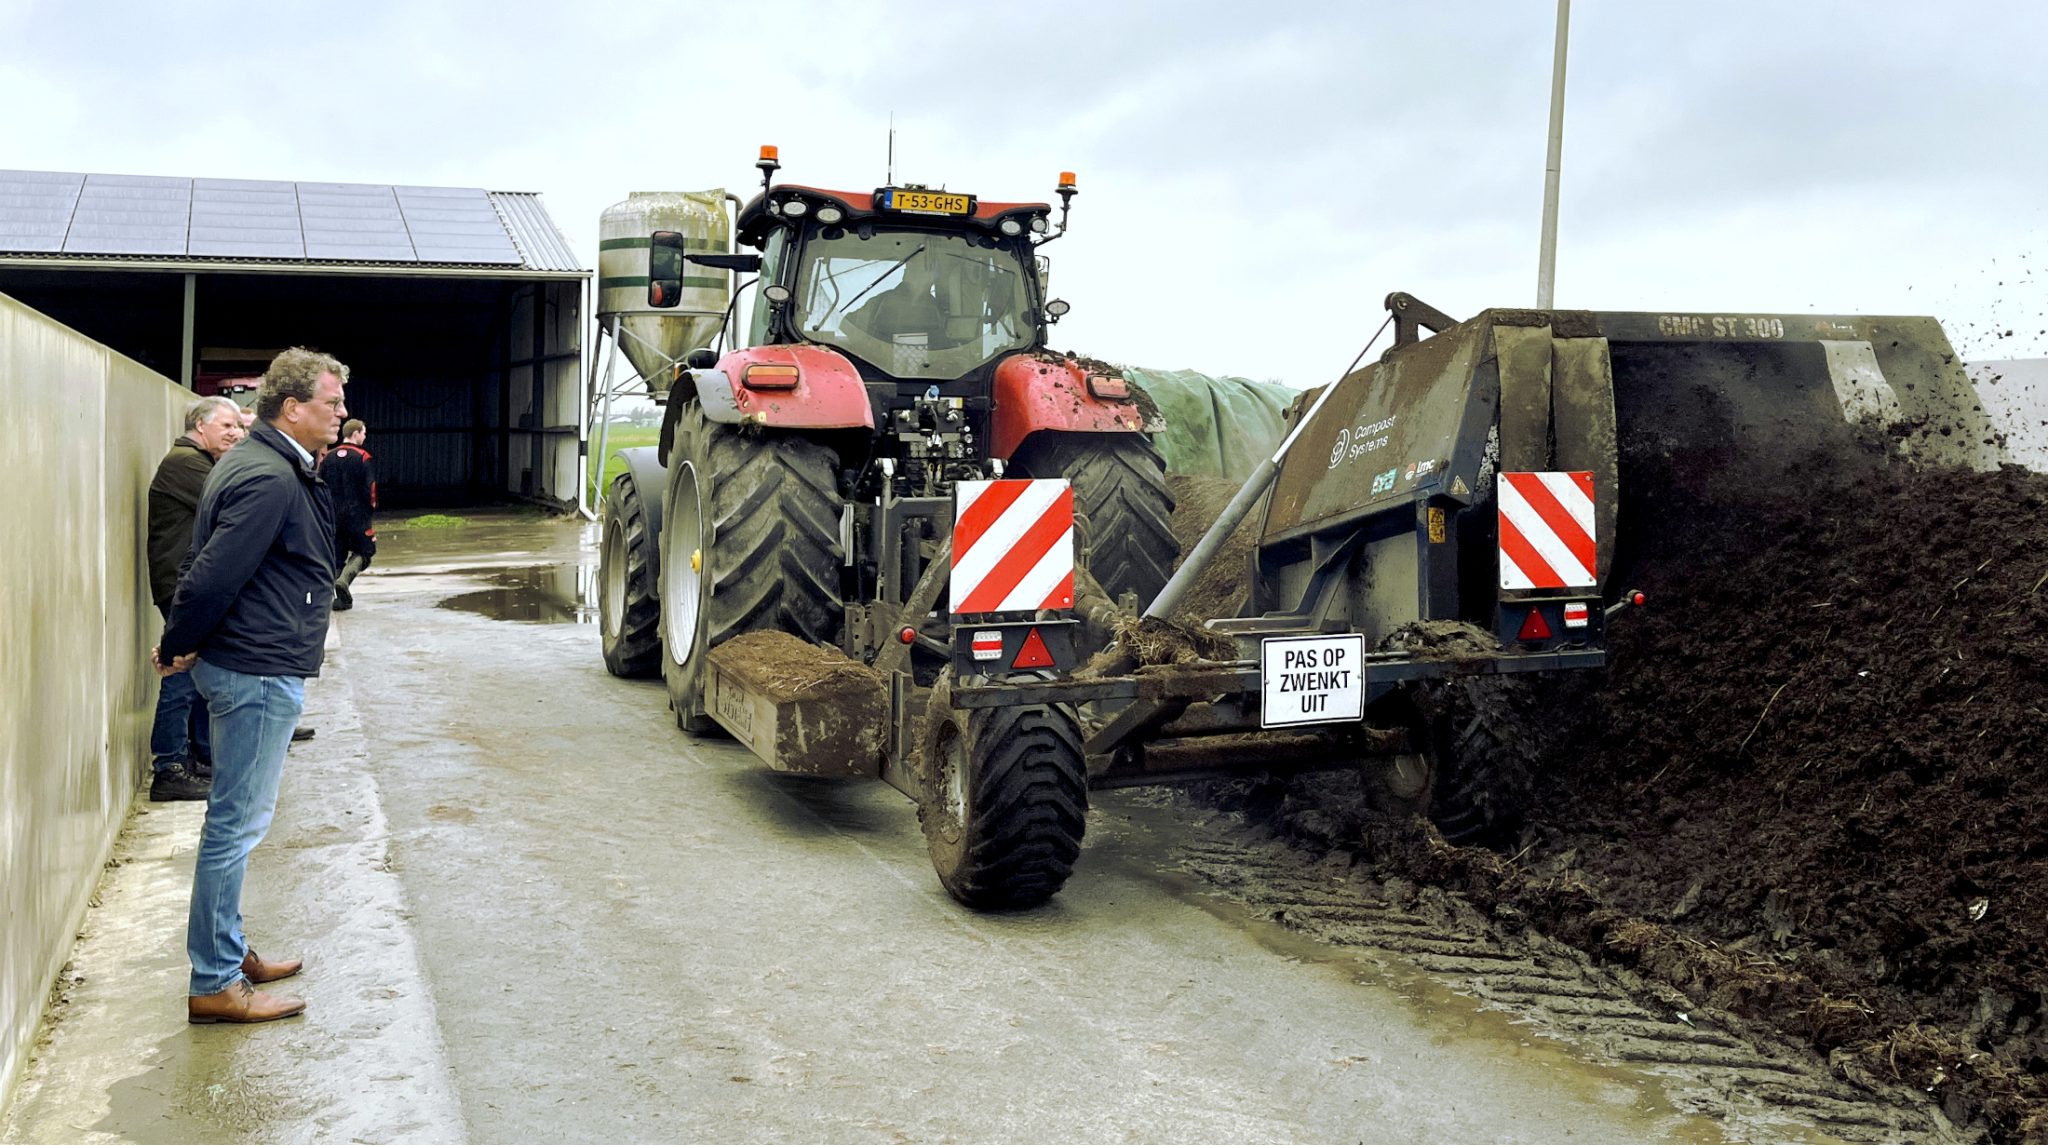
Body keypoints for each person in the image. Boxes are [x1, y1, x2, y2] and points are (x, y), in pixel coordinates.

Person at [156, 347, 348, 1024]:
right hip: (257, 670)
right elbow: (209, 575)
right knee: (234, 826)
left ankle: (230, 950)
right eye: (331, 402)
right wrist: (180, 640)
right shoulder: (268, 475)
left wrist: (188, 643)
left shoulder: (263, 463)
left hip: (250, 659)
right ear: (292, 407)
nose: (341, 412)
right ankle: (214, 979)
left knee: (234, 822)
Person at [145, 397, 246, 801]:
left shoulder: (196, 460)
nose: (235, 434)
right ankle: (168, 766)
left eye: (239, 427)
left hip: (189, 582)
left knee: (197, 672)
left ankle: (197, 757)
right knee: (179, 673)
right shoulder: (186, 463)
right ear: (200, 425)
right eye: (227, 426)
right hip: (179, 585)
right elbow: (232, 503)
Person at [319, 419, 377, 611]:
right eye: (364, 433)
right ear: (356, 433)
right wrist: (371, 510)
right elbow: (371, 489)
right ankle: (343, 581)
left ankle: (338, 599)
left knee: (337, 556)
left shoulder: (328, 457)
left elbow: (319, 486)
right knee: (366, 552)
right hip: (358, 515)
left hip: (333, 516)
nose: (365, 436)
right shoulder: (362, 457)